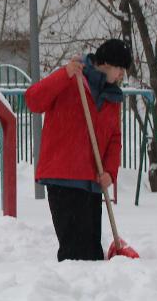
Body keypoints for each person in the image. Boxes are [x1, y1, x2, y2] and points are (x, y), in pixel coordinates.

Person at [25, 39, 130, 262]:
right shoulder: (72, 79)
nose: (122, 74)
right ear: (105, 63)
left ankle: (93, 295)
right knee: (75, 253)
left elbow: (114, 138)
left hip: (92, 182)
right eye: (120, 68)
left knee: (92, 252)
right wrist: (63, 74)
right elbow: (33, 100)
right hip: (64, 177)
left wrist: (109, 172)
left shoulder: (112, 97)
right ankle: (70, 294)